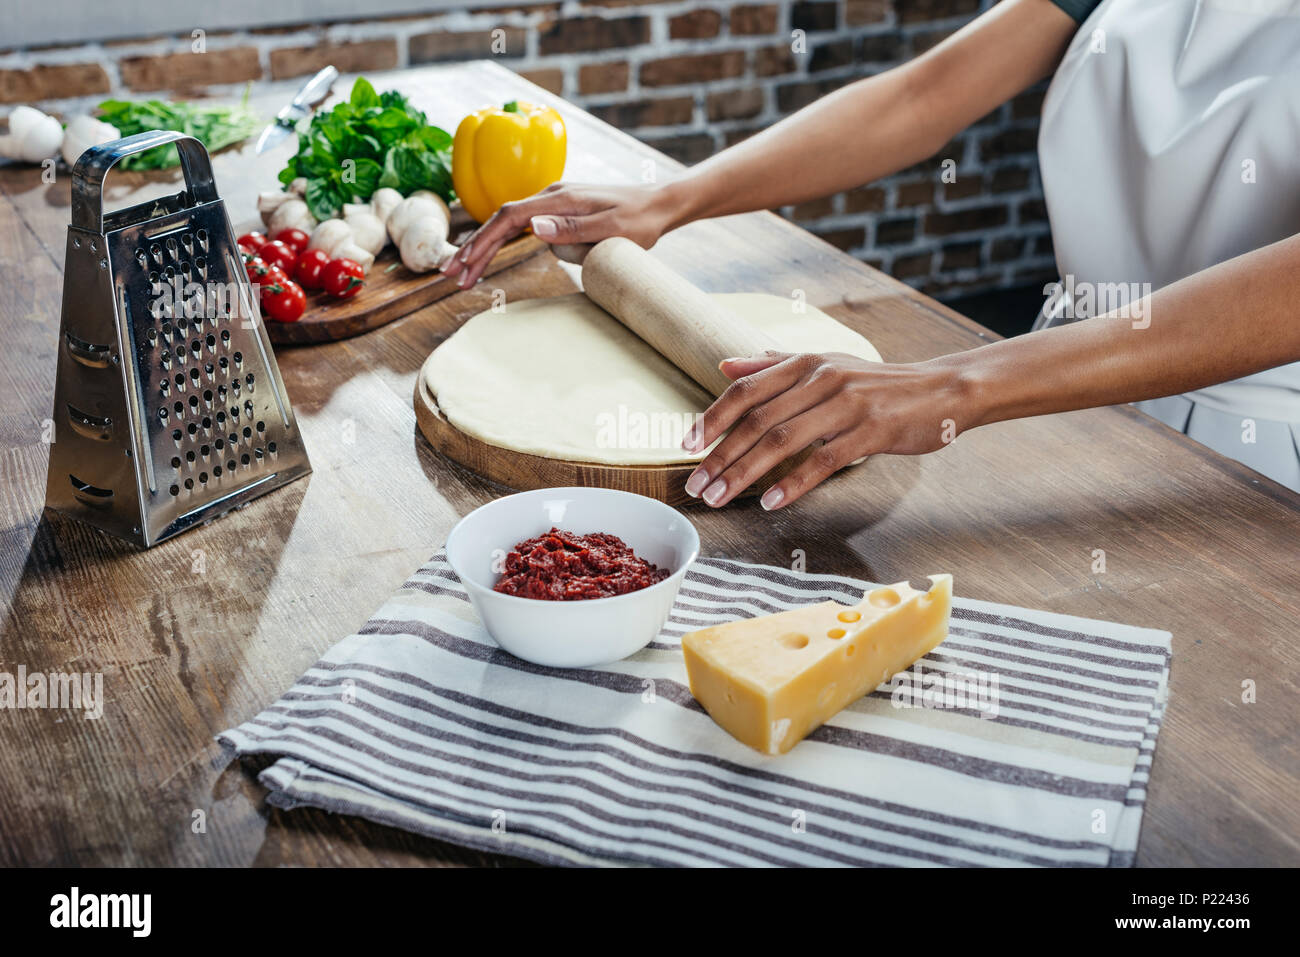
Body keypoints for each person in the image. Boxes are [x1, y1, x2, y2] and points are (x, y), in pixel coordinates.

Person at [443, 0, 1300, 509]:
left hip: (1250, 462)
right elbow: (923, 96)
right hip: (1056, 393)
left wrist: (954, 384)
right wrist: (672, 199)